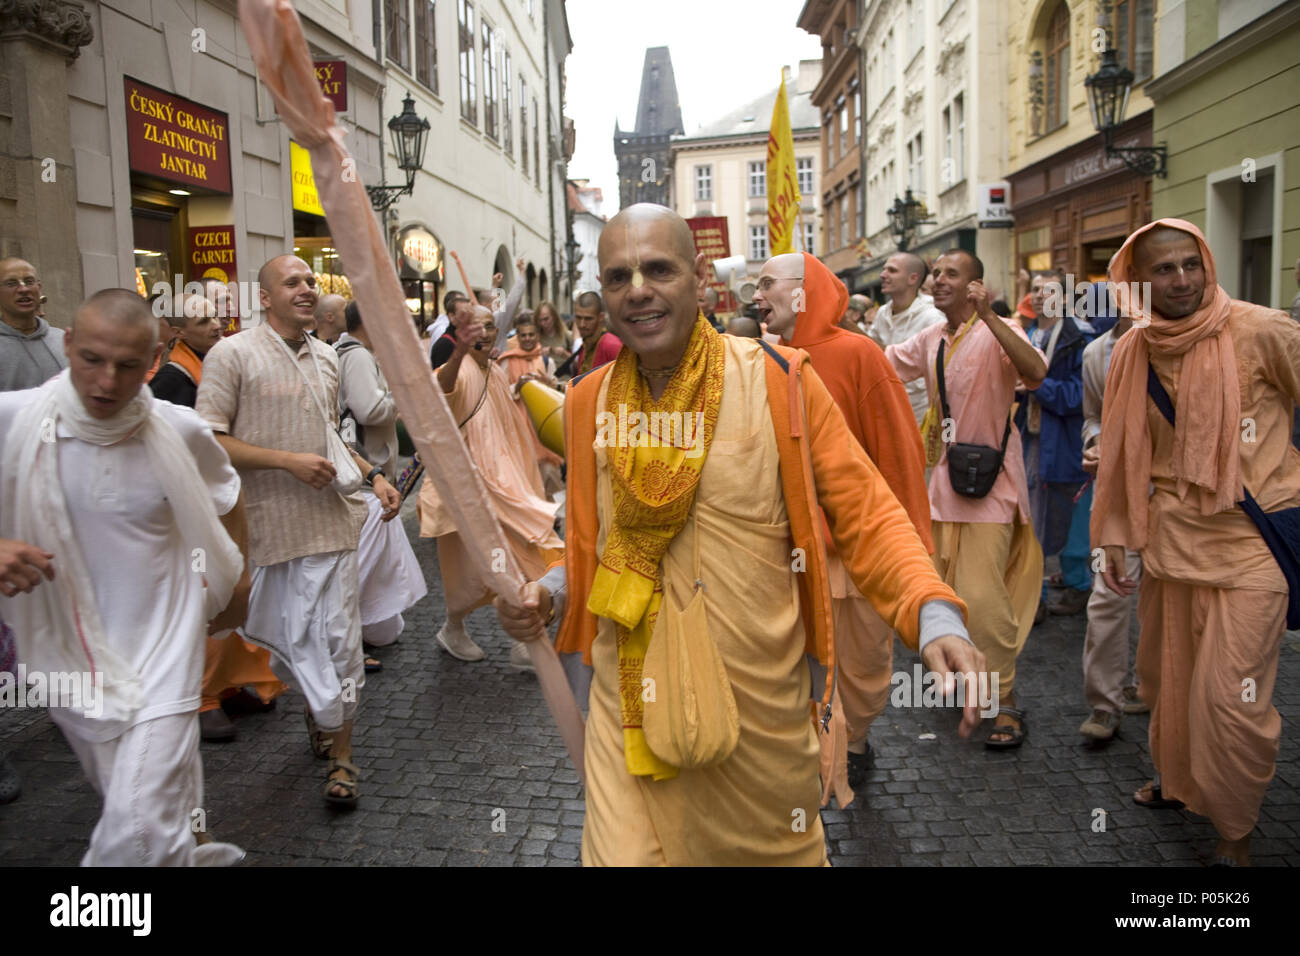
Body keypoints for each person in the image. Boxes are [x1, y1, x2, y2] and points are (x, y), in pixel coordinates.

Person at [493, 205, 983, 866]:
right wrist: (551, 589)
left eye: (658, 268)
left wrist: (933, 611)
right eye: (618, 276)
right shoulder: (586, 403)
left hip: (759, 728)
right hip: (626, 709)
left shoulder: (782, 382)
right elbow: (594, 539)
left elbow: (868, 515)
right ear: (604, 295)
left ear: (700, 278)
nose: (638, 288)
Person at [0, 289, 249, 864]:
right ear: (66, 344)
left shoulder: (181, 430)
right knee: (136, 802)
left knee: (137, 823)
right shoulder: (14, 419)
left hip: (165, 648)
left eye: (128, 366)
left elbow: (228, 494)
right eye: (91, 359)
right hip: (68, 656)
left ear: (155, 359)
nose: (107, 382)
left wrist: (237, 577)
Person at [1092, 219, 1300, 867]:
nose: (1181, 280)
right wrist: (1119, 539)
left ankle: (1234, 832)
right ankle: (1181, 782)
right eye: (1163, 269)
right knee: (1168, 681)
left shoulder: (1265, 330)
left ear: (1208, 264)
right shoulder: (1133, 351)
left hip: (1254, 545)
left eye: (1191, 264)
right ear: (1135, 280)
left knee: (1229, 697)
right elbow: (1125, 453)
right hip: (1173, 546)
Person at [197, 254, 400, 808]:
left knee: (340, 645)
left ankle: (342, 759)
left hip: (332, 526)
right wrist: (286, 461)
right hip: (267, 533)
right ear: (264, 297)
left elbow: (333, 437)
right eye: (293, 282)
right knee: (292, 650)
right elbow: (210, 441)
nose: (307, 289)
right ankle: (320, 713)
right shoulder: (230, 354)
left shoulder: (329, 358)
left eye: (311, 280)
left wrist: (373, 476)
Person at [756, 250, 932, 788]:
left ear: (804, 289)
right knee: (792, 660)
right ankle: (810, 744)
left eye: (767, 283)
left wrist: (911, 545)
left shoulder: (860, 355)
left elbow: (899, 452)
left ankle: (852, 740)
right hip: (787, 550)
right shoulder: (760, 359)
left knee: (861, 664)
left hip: (852, 550)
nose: (756, 295)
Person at [885, 250, 1047, 749]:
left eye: (951, 274)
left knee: (983, 597)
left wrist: (991, 317)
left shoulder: (997, 330)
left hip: (992, 486)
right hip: (944, 486)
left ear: (977, 284)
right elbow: (880, 365)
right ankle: (965, 673)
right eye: (936, 273)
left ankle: (1005, 699)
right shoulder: (932, 338)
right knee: (948, 592)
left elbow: (1035, 372)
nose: (938, 281)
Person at [149, 292, 285, 741]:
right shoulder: (172, 380)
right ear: (176, 332)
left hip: (226, 502)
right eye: (201, 319)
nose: (214, 324)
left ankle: (224, 686)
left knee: (233, 593)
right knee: (207, 597)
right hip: (193, 511)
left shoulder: (216, 364)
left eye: (214, 316)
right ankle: (201, 698)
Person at [419, 304, 563, 668]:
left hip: (507, 484)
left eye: (490, 326)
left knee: (519, 551)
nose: (484, 332)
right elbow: (443, 388)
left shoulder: (493, 371)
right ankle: (501, 638)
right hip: (474, 488)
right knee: (488, 561)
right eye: (476, 327)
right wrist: (460, 353)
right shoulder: (460, 366)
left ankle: (511, 636)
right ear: (462, 329)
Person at [336, 301, 428, 651]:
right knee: (364, 560)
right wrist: (400, 399)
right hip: (365, 475)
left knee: (371, 560)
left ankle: (370, 625)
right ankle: (345, 634)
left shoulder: (347, 351)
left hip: (367, 472)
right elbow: (369, 409)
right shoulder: (357, 355)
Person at [1077, 296, 1143, 743]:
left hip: (1176, 497)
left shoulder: (1181, 344)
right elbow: (1092, 416)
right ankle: (1104, 702)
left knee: (1164, 603)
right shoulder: (1096, 352)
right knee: (1107, 597)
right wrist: (1095, 442)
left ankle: (1151, 686)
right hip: (1116, 495)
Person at [1022, 270, 1094, 621]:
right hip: (1032, 443)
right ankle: (1037, 594)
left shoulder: (1079, 338)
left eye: (1046, 290)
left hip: (1066, 445)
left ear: (1064, 298)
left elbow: (1077, 396)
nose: (1038, 296)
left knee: (1068, 522)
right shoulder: (1029, 335)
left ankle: (1077, 585)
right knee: (1032, 521)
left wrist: (1035, 386)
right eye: (1033, 289)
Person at [868, 252, 946, 426]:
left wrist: (846, 323)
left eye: (892, 270)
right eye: (883, 269)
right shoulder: (882, 313)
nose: (883, 275)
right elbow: (868, 353)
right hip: (887, 409)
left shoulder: (932, 318)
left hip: (919, 415)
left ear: (913, 278)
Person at [497, 315, 564, 497]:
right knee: (525, 475)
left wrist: (547, 383)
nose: (527, 339)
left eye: (531, 335)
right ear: (517, 337)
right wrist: (517, 387)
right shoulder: (507, 361)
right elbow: (499, 394)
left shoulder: (545, 360)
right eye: (523, 335)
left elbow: (554, 390)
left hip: (542, 425)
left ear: (537, 336)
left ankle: (553, 518)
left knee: (550, 475)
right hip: (519, 427)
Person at [0, 258, 66, 391]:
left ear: (39, 288)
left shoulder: (63, 340)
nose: (23, 289)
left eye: (29, 282)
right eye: (11, 283)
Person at [557, 291, 621, 378]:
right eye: (578, 318)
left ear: (600, 317)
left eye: (588, 319)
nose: (582, 324)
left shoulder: (612, 345)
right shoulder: (585, 345)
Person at [535, 300, 573, 367]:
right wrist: (539, 354)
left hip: (564, 376)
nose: (543, 323)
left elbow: (578, 362)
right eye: (540, 320)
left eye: (546, 319)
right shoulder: (535, 338)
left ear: (554, 317)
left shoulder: (567, 336)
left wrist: (565, 354)